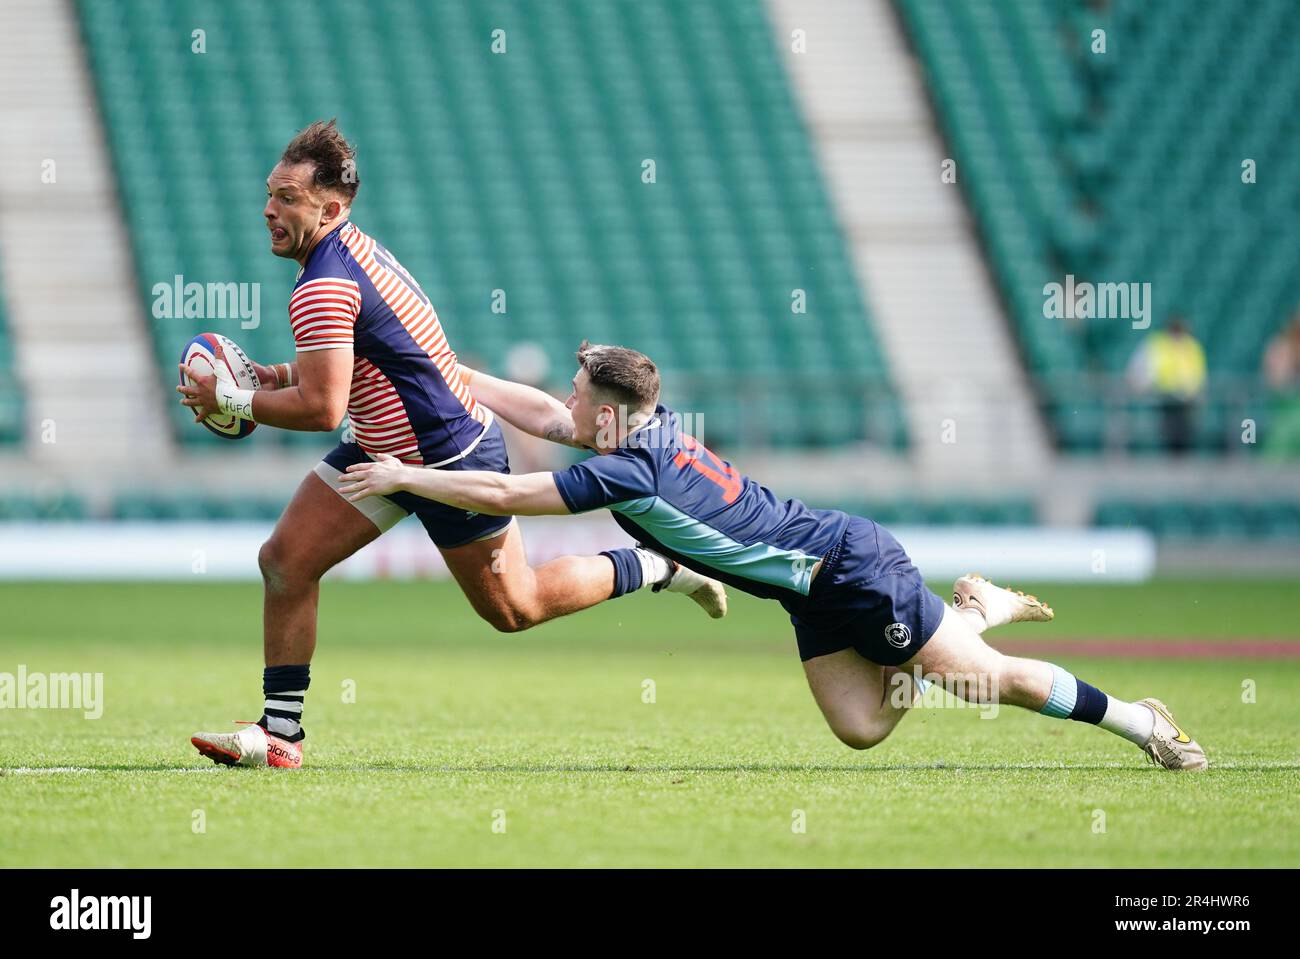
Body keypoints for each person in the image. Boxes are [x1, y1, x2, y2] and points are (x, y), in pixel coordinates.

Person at [341, 341, 1208, 771]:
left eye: (580, 393)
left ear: (610, 412)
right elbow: (539, 413)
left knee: (990, 680)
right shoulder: (640, 427)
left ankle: (1139, 721)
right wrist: (444, 370)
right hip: (807, 590)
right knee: (862, 727)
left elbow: (502, 494)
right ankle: (969, 616)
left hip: (851, 568)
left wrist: (402, 471)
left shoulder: (627, 473)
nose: (569, 403)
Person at [177, 121, 725, 769]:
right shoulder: (350, 255)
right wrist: (274, 376)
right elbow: (357, 362)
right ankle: (281, 734)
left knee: (513, 608)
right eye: (270, 193)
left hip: (450, 454)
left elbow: (324, 408)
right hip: (382, 450)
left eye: (288, 198)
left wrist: (232, 400)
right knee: (285, 561)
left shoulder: (324, 283)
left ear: (331, 209)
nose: (269, 208)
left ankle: (656, 565)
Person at [1127, 317, 1206, 453]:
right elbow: (1140, 370)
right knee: (1167, 433)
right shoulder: (1157, 344)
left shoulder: (1192, 347)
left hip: (1185, 401)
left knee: (1183, 435)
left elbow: (1198, 375)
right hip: (1163, 399)